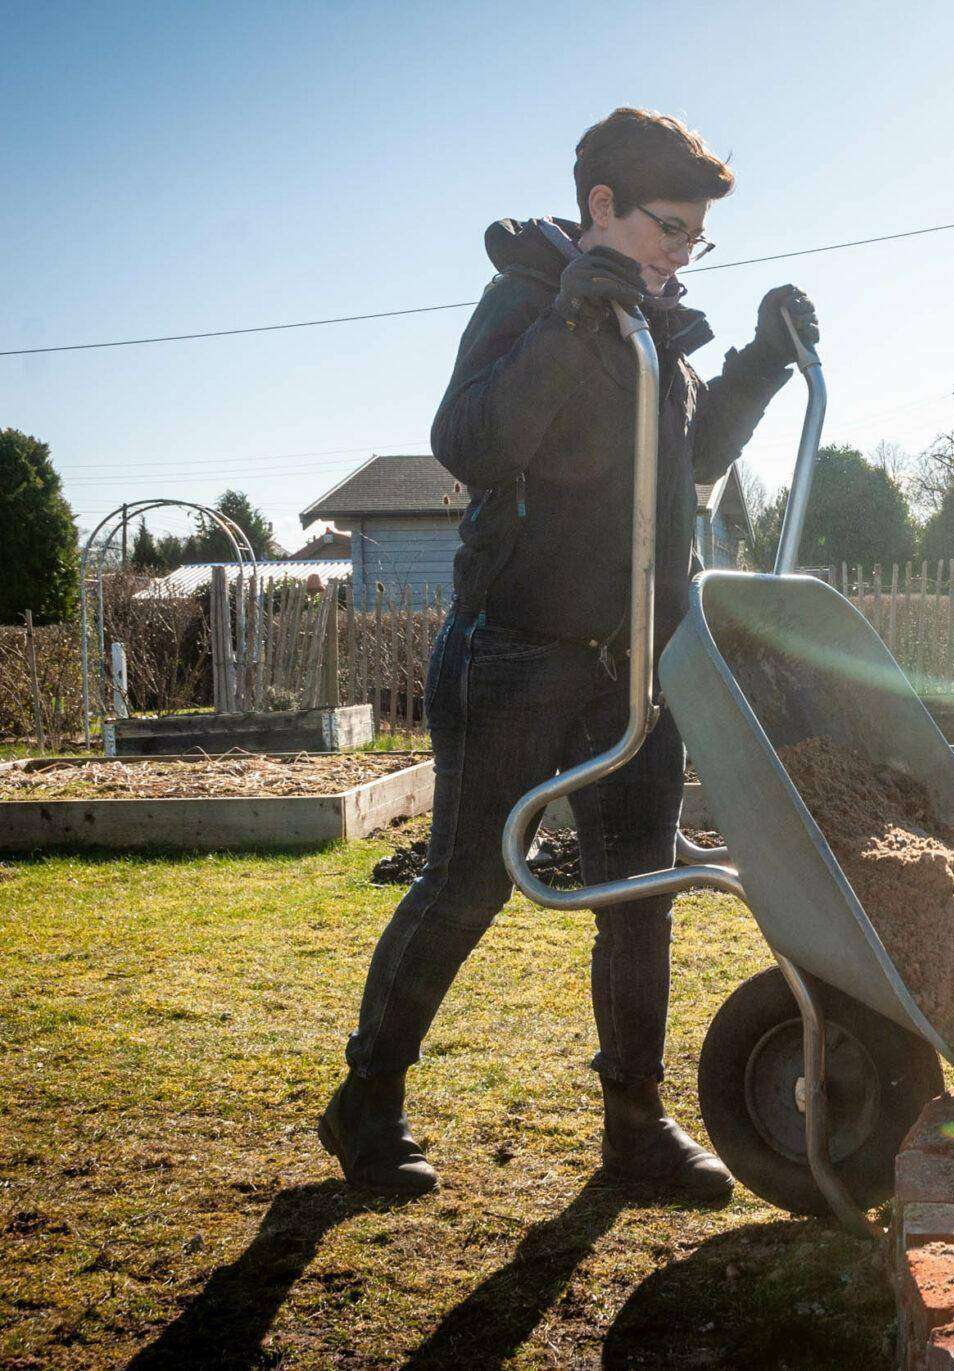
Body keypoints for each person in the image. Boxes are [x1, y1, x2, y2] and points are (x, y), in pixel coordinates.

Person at [319, 107, 817, 1203]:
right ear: (602, 207)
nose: (683, 253)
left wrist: (762, 365)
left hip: (633, 659)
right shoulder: (524, 302)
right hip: (515, 651)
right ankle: (368, 1100)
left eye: (697, 238)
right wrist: (560, 328)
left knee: (637, 893)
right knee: (462, 884)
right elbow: (471, 445)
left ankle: (633, 1132)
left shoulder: (653, 330)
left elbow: (687, 466)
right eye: (668, 228)